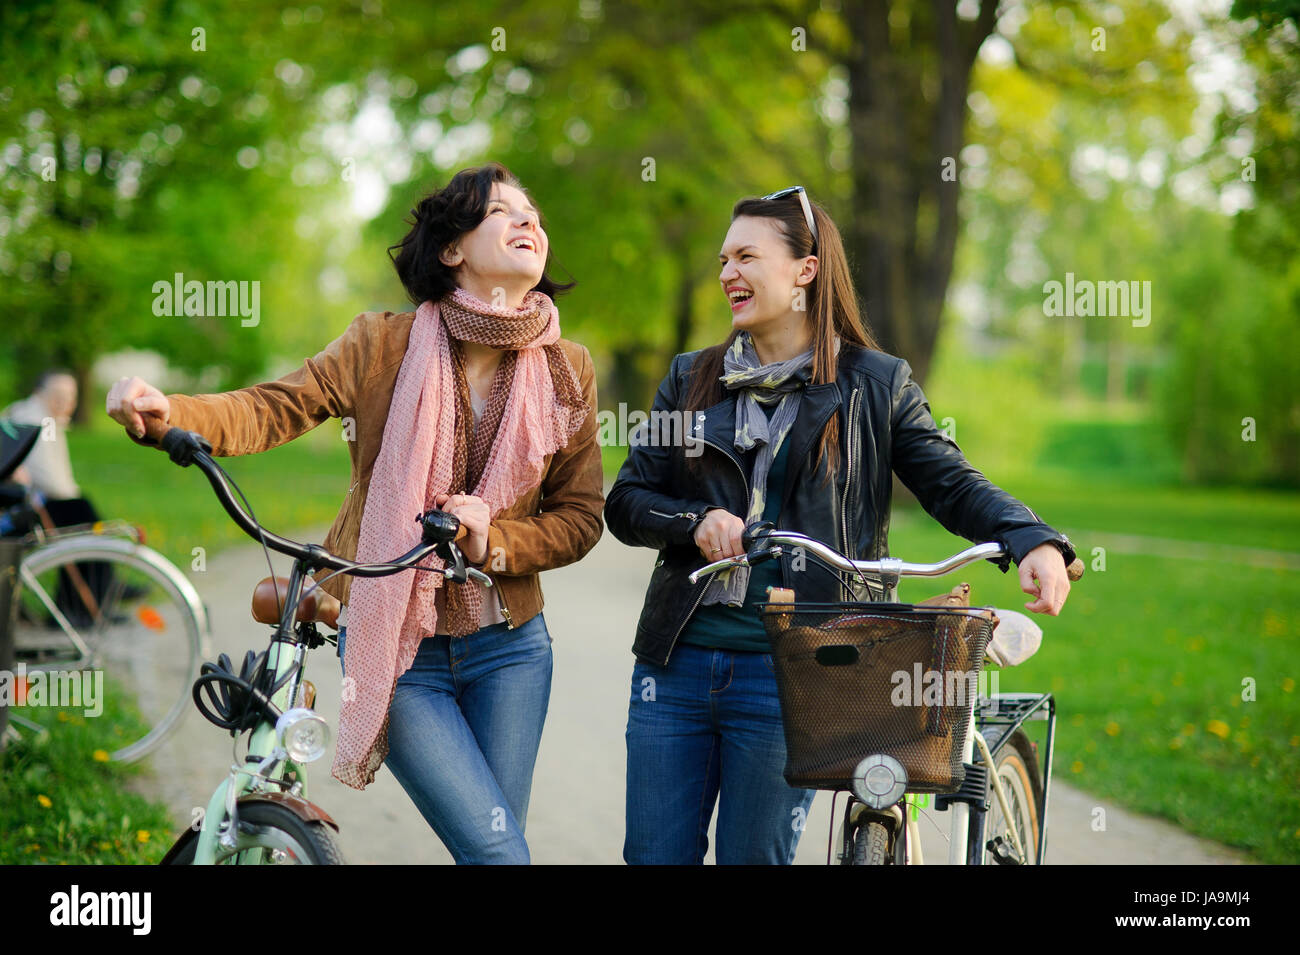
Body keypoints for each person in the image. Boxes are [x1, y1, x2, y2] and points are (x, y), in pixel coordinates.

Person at [106, 162, 605, 864]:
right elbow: (274, 405)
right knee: (501, 854)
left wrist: (497, 539)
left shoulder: (567, 368)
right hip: (399, 649)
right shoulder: (382, 344)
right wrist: (172, 414)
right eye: (502, 210)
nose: (530, 221)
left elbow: (580, 517)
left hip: (513, 648)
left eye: (535, 213)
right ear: (451, 249)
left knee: (491, 850)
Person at [604, 186, 1076, 865]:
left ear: (806, 269)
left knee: (753, 857)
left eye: (746, 256)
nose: (727, 273)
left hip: (796, 667)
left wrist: (1032, 536)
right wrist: (695, 519)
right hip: (675, 667)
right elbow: (627, 500)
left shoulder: (875, 385)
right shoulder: (691, 378)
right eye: (722, 260)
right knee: (652, 855)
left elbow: (951, 482)